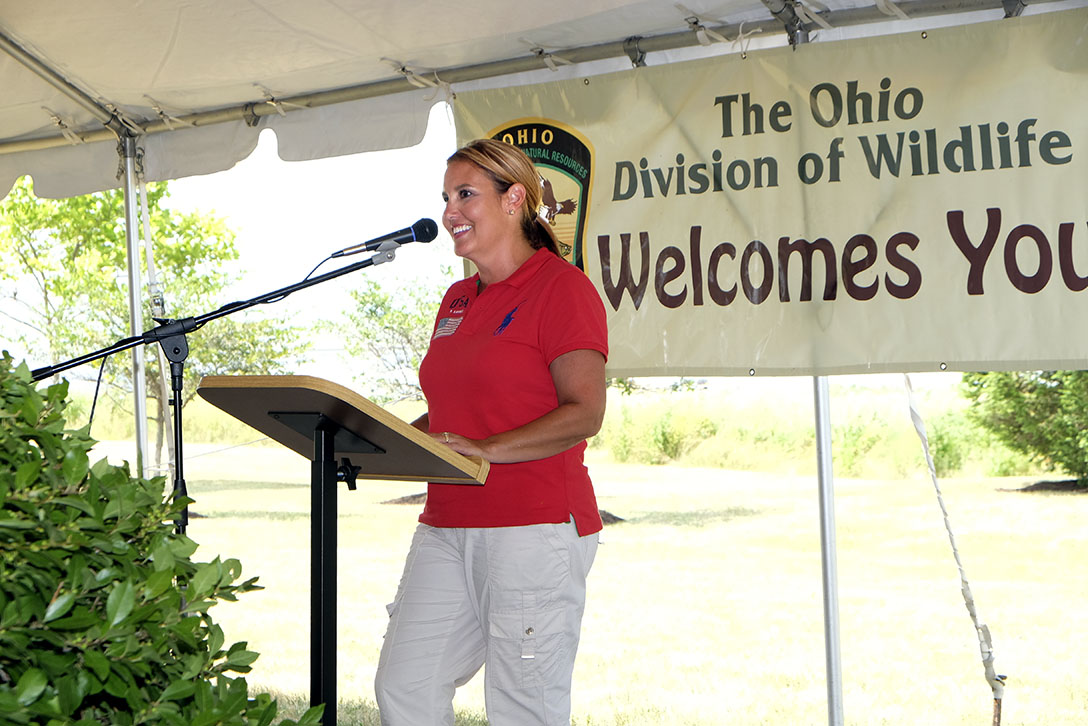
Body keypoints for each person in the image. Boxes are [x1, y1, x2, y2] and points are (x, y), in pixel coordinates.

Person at [373, 138, 609, 726]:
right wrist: (382, 437)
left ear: (515, 200)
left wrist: (487, 450)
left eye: (466, 195)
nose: (451, 212)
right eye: (446, 197)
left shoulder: (562, 288)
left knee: (523, 705)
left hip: (534, 526)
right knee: (406, 686)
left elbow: (584, 411)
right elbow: (453, 414)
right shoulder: (456, 298)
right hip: (447, 524)